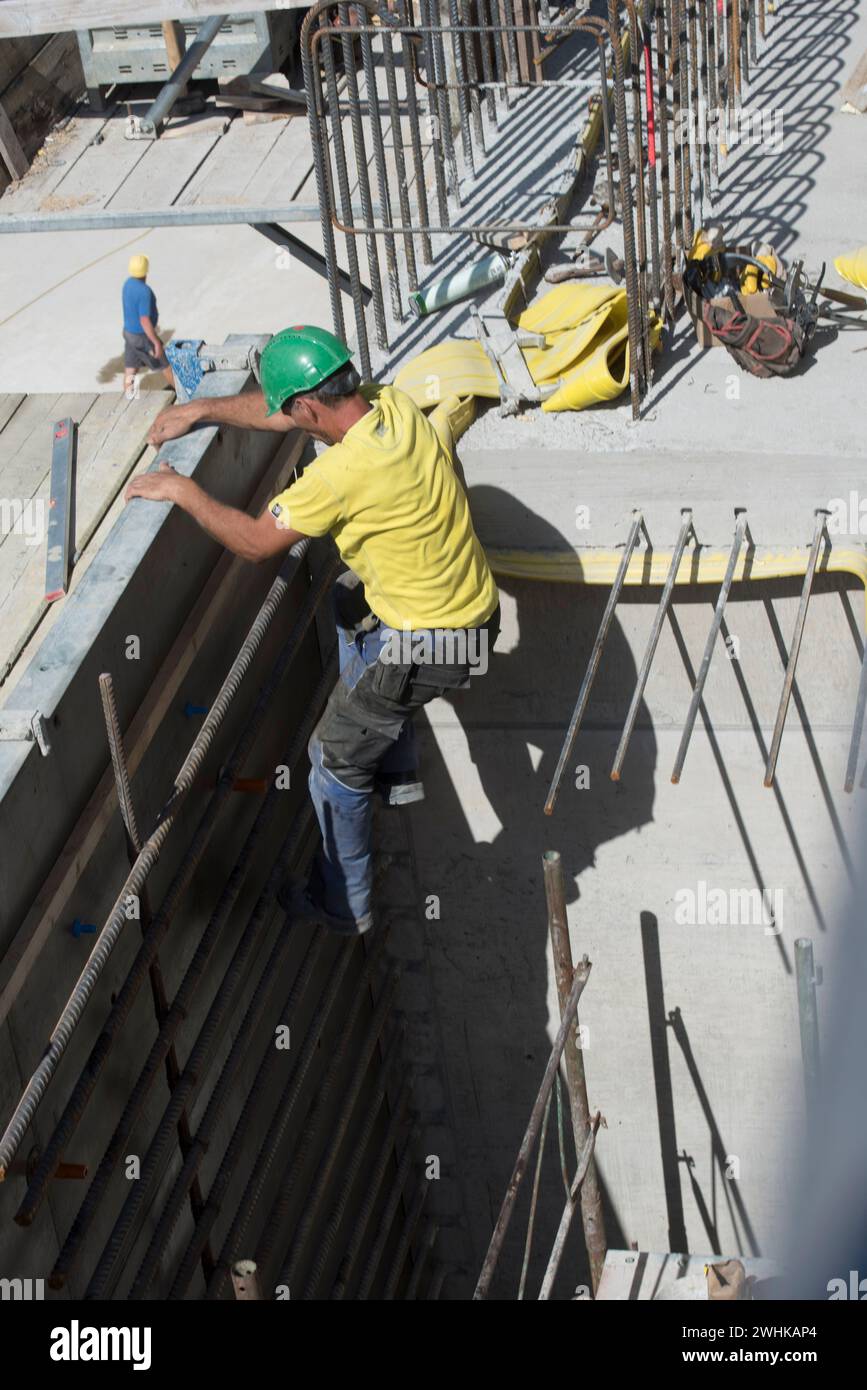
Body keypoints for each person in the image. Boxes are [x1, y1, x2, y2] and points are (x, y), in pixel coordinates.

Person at [125, 325, 500, 936]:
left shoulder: (339, 476)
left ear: (308, 406)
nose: (289, 419)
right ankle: (397, 771)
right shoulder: (389, 402)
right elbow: (285, 417)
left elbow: (252, 543)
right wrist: (199, 409)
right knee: (349, 601)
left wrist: (182, 490)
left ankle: (344, 903)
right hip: (473, 609)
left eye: (292, 410)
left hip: (431, 647)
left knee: (330, 758)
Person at [122, 254, 173, 396]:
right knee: (165, 364)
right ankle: (182, 394)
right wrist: (156, 342)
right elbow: (144, 320)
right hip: (141, 336)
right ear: (146, 270)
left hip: (128, 334)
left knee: (131, 368)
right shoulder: (144, 291)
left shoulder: (127, 284)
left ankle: (130, 396)